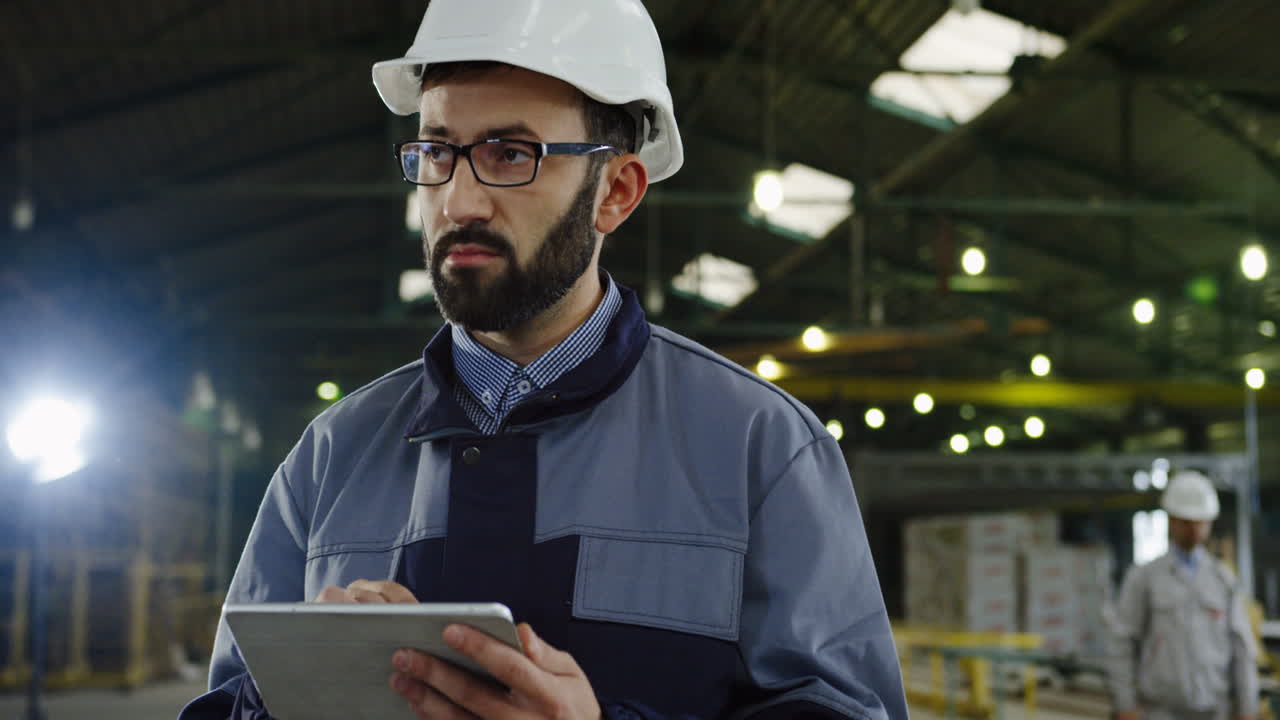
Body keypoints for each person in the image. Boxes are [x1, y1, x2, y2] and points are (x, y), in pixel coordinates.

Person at [179, 0, 906, 718]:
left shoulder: (759, 450)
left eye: (510, 155)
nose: (459, 202)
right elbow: (227, 703)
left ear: (615, 192)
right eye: (437, 153)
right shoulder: (330, 458)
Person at [1108, 470, 1259, 720]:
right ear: (1172, 520)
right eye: (1187, 521)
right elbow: (1122, 642)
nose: (1194, 528)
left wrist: (1246, 709)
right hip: (1159, 711)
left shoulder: (1224, 581)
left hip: (1215, 710)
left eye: (1201, 521)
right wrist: (1125, 704)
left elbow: (1241, 650)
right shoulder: (1144, 578)